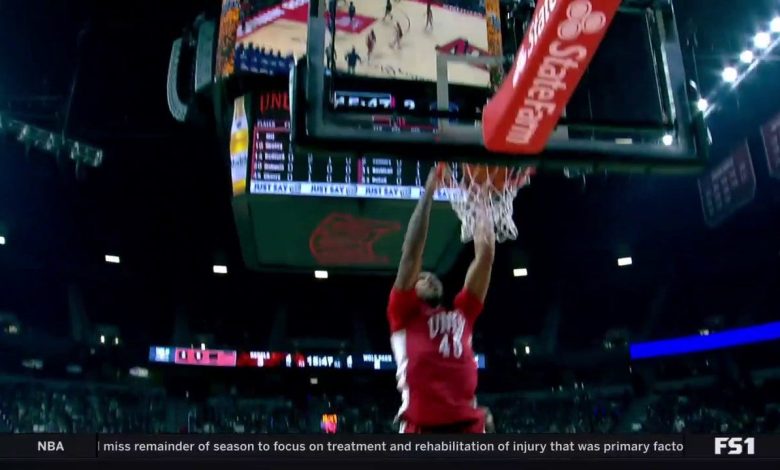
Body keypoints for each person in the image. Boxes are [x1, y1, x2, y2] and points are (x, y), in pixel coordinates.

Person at [387, 166, 496, 434]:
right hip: (421, 425)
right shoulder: (403, 313)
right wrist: (429, 192)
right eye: (423, 277)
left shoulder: (463, 312)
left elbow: (485, 256)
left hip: (468, 424)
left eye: (433, 277)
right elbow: (412, 253)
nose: (430, 278)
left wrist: (480, 201)